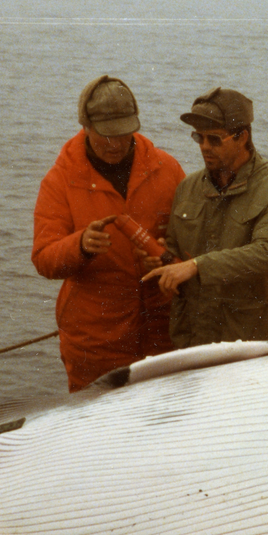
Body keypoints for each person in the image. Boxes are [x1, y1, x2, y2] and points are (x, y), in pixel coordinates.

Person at [33, 75, 185, 391]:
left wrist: (169, 254)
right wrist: (80, 246)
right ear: (85, 127)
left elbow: (193, 245)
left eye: (125, 134)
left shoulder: (167, 169)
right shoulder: (59, 180)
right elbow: (44, 259)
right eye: (106, 135)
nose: (116, 144)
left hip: (163, 334)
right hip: (94, 344)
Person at [142, 87, 268, 348]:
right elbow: (176, 247)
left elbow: (267, 254)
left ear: (242, 137)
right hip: (192, 338)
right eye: (198, 138)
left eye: (214, 139)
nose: (204, 147)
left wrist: (196, 266)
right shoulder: (187, 188)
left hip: (246, 341)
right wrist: (162, 260)